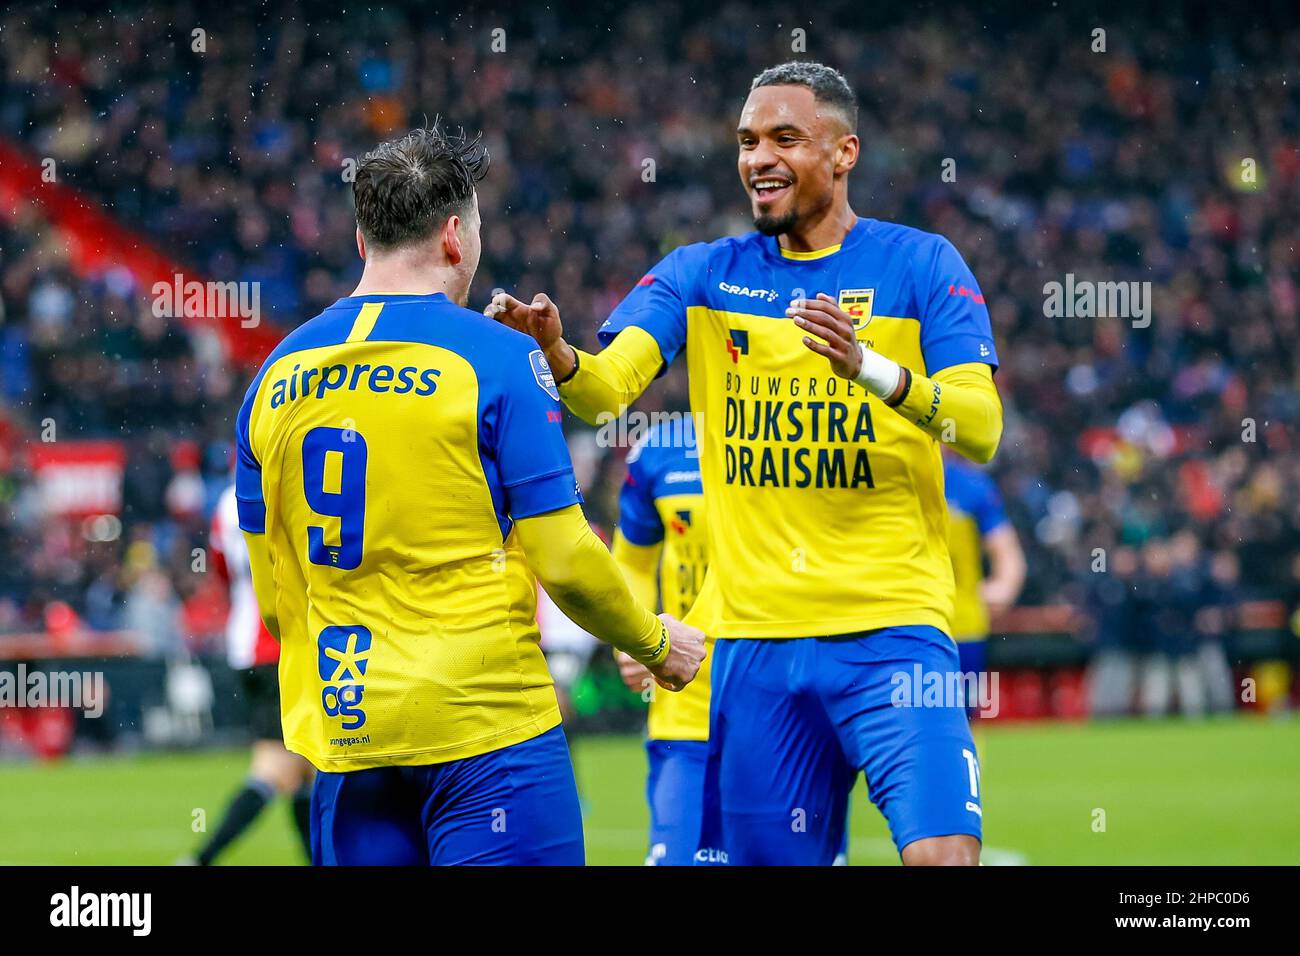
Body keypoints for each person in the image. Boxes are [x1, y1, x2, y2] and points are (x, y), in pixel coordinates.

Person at [490, 62, 1002, 865]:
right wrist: (557, 353)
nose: (759, 157)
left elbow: (980, 427)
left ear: (844, 153)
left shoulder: (921, 264)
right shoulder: (702, 273)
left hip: (894, 634)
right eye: (747, 141)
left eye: (785, 139)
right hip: (754, 648)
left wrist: (871, 369)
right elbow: (606, 392)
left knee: (943, 855)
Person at [234, 125, 705, 866]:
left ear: (363, 242)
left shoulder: (272, 378)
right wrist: (653, 641)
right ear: (456, 236)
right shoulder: (495, 359)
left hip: (347, 743)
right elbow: (569, 560)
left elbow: (272, 596)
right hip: (488, 740)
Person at [186, 482, 314, 865]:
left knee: (306, 769)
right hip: (283, 644)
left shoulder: (227, 499)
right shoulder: (297, 480)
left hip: (248, 642)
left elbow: (222, 569)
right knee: (278, 766)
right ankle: (199, 859)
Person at [609, 416, 713, 865]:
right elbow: (631, 560)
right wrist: (634, 638)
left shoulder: (797, 432)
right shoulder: (662, 445)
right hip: (685, 706)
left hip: (785, 700)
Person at [943, 452, 1026, 717]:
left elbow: (1007, 553)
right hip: (903, 622)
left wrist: (1002, 588)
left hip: (961, 626)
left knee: (960, 718)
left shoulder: (969, 487)